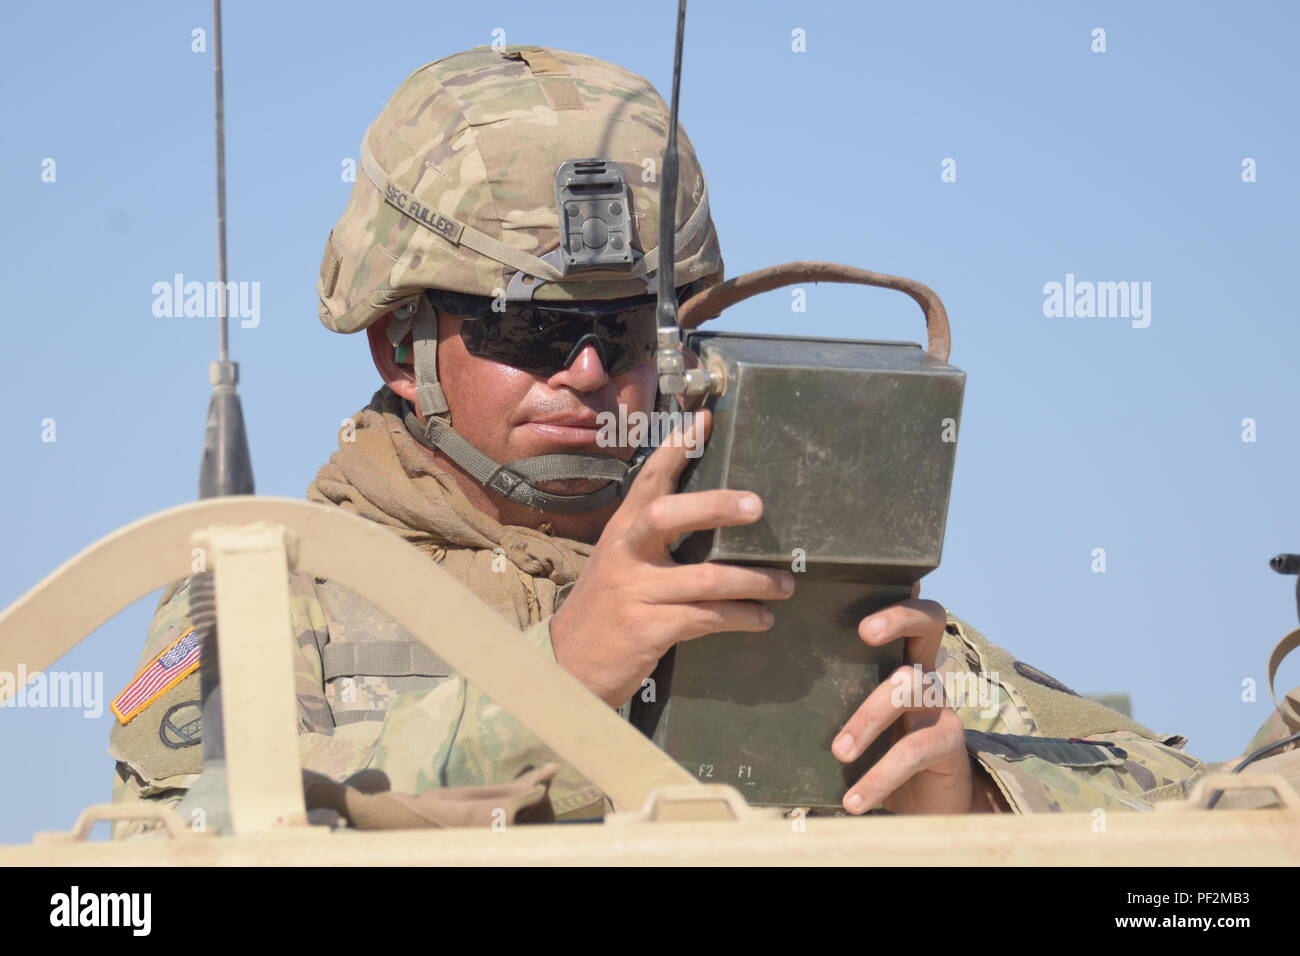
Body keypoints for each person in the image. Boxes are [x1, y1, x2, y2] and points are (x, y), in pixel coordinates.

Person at [109, 45, 1205, 836]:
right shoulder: (277, 589)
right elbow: (170, 845)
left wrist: (973, 802)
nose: (586, 370)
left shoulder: (765, 570)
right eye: (527, 328)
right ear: (404, 344)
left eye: (625, 327)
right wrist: (556, 676)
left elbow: (1197, 805)